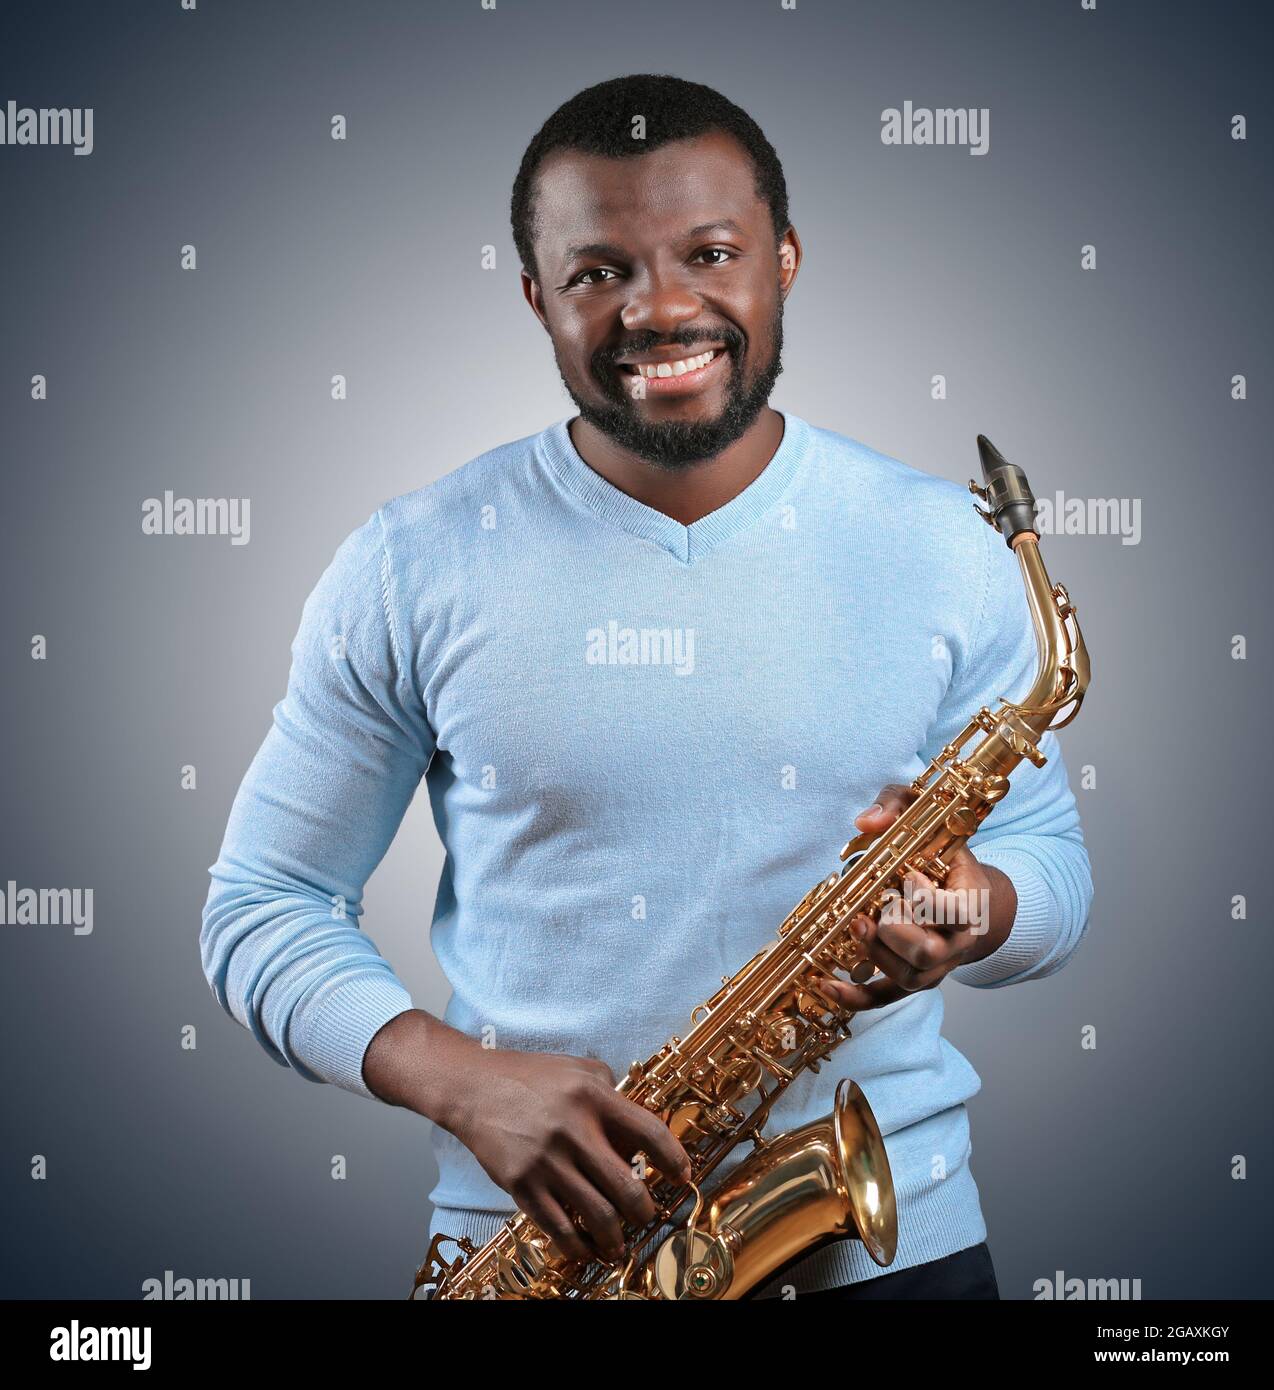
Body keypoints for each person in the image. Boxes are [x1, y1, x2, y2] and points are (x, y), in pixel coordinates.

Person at [200, 73, 1092, 1300]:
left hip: (901, 1251)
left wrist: (975, 908)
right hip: (552, 1259)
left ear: (784, 259)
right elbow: (263, 902)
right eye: (597, 271)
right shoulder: (412, 560)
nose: (660, 308)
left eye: (709, 253)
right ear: (535, 298)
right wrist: (455, 1076)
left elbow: (1049, 867)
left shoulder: (944, 541)